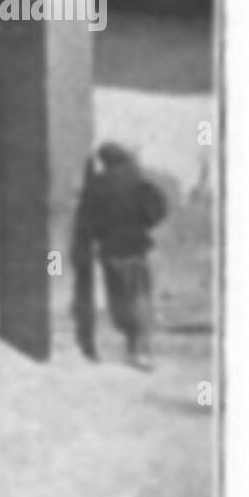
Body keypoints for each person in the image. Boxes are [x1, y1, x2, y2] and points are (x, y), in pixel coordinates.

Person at [71, 142, 168, 370]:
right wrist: (144, 223)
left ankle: (132, 346)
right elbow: (159, 208)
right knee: (140, 296)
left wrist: (93, 237)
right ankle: (139, 349)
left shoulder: (97, 185)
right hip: (137, 248)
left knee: (120, 299)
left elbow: (86, 220)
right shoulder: (138, 181)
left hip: (111, 250)